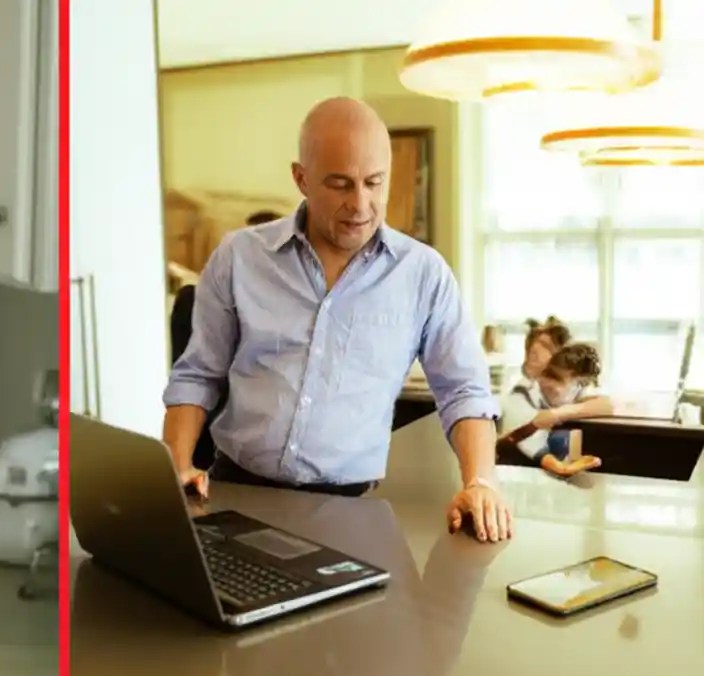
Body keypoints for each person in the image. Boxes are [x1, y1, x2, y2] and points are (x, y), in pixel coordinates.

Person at [163, 97, 512, 543]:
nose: (360, 203)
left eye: (374, 183)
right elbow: (198, 373)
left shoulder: (424, 275)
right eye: (340, 184)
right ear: (301, 178)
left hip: (351, 510)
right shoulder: (238, 257)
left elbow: (464, 390)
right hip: (236, 493)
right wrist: (177, 463)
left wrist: (480, 482)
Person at [499, 343, 612, 477]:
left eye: (557, 379)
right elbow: (532, 445)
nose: (547, 383)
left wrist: (557, 414)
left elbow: (610, 405)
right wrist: (562, 468)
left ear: (579, 386)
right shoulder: (522, 394)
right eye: (547, 374)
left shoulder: (575, 397)